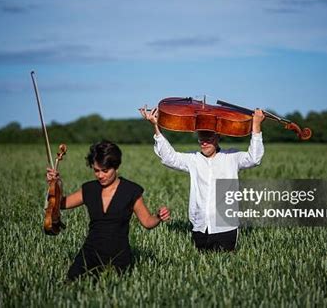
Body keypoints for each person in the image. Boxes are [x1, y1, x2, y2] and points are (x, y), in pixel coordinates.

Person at [140, 106, 265, 251]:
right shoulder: (194, 159)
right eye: (201, 138)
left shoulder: (232, 157)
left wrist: (256, 125)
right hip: (199, 228)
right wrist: (156, 126)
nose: (204, 142)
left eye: (209, 138)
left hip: (226, 228)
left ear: (218, 137)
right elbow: (169, 158)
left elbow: (254, 158)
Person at [46, 140, 170, 281]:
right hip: (90, 253)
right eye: (96, 170)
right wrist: (55, 184)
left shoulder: (130, 190)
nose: (100, 175)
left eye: (105, 171)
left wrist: (159, 217)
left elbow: (147, 222)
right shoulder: (89, 189)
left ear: (116, 167)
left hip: (118, 257)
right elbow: (60, 204)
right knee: (70, 285)